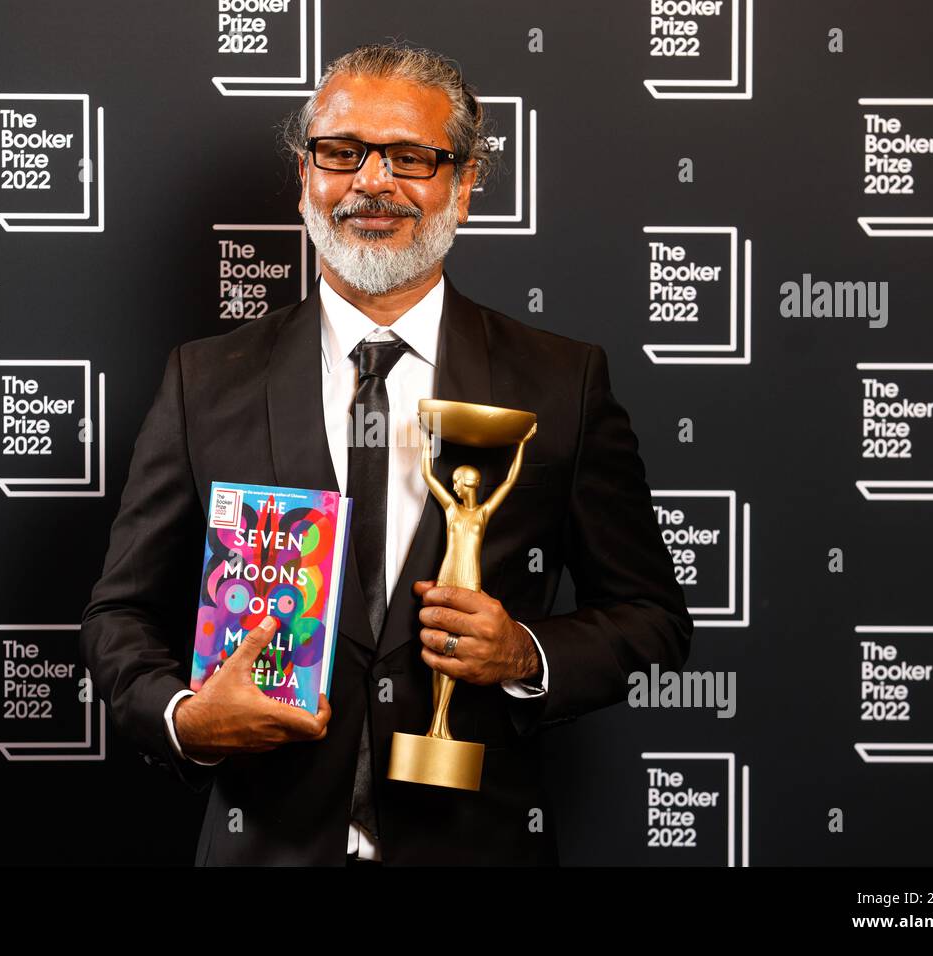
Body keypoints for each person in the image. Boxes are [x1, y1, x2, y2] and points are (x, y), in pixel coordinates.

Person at [79, 42, 692, 866]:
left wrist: (526, 654)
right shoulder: (205, 380)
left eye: (411, 157)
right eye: (342, 152)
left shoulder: (560, 382)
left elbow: (652, 617)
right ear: (306, 176)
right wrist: (186, 719)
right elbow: (118, 616)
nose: (373, 182)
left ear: (465, 185)